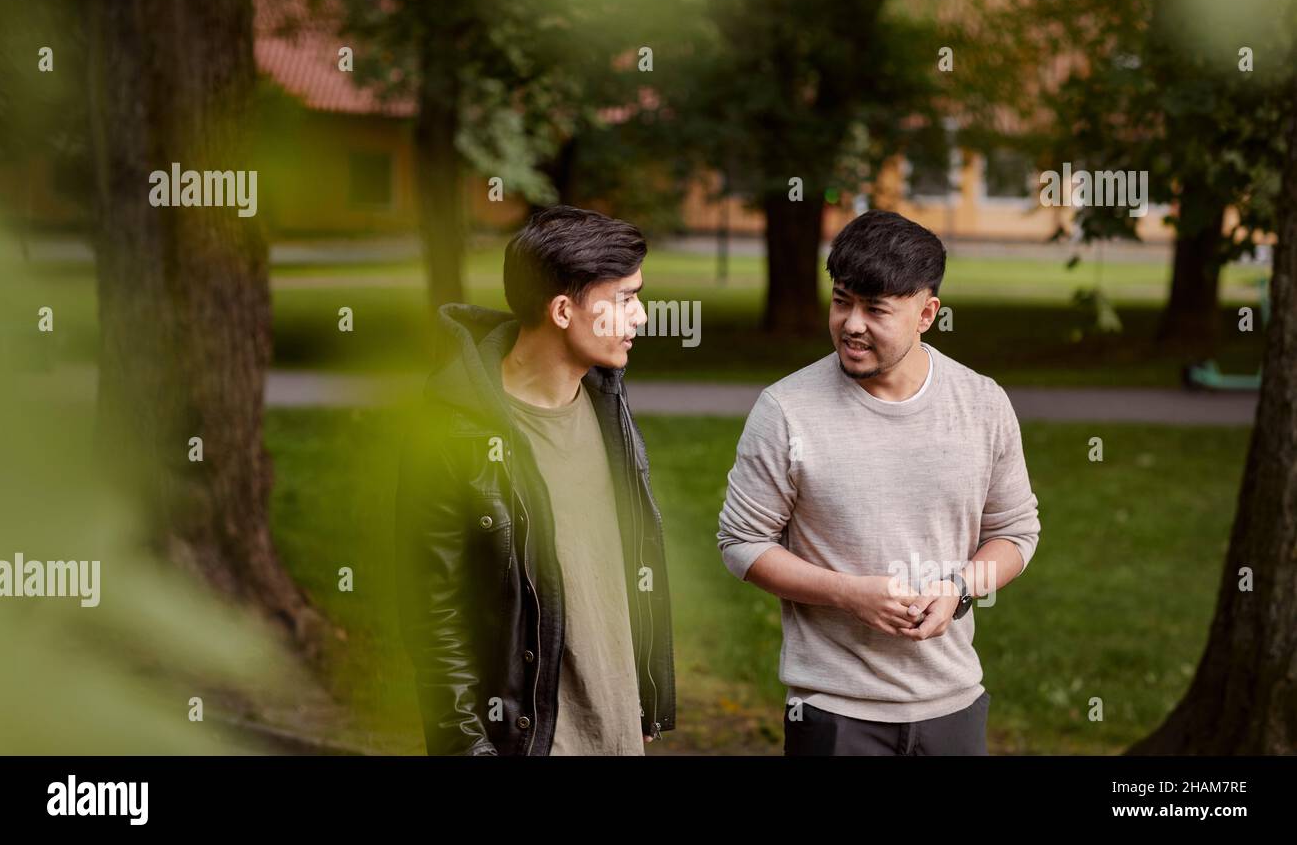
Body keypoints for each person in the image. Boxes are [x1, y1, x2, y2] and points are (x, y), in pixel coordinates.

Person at [716, 209, 1041, 755]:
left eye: (875, 309)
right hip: (834, 712)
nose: (852, 324)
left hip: (954, 705)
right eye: (842, 301)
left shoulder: (983, 403)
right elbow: (741, 544)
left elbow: (1016, 532)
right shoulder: (786, 410)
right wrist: (849, 594)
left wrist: (961, 588)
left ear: (926, 313)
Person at [395, 205, 675, 755]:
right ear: (563, 310)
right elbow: (434, 620)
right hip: (533, 742)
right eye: (624, 299)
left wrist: (645, 695)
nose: (640, 317)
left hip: (617, 729)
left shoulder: (606, 401)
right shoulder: (454, 434)